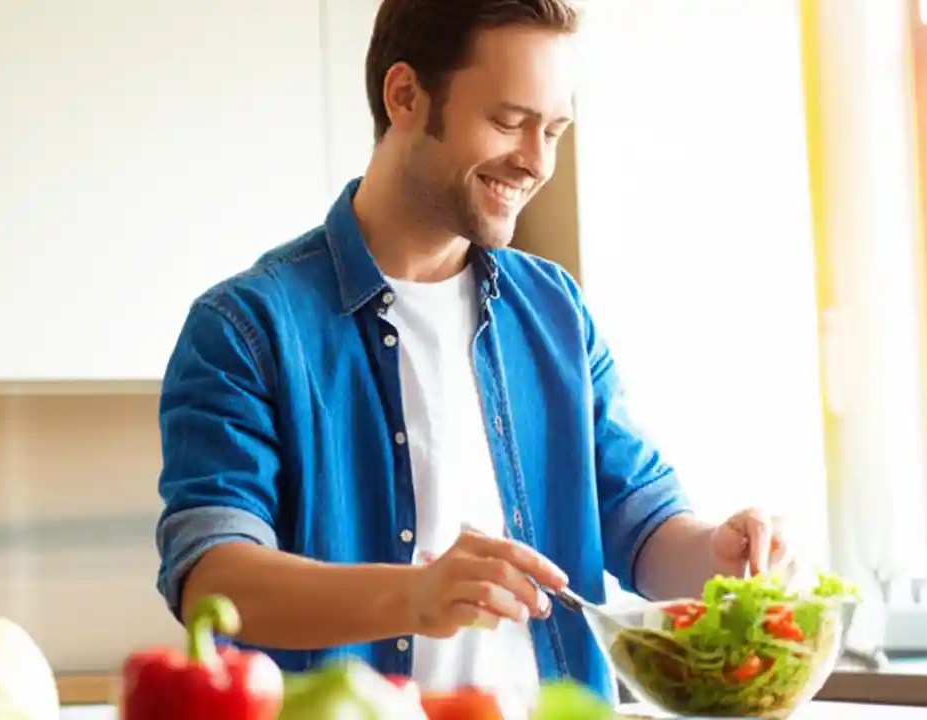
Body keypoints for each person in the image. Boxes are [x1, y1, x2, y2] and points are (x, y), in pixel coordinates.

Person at [154, 0, 793, 711]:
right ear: (405, 96)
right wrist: (414, 595)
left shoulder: (556, 311)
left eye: (553, 129)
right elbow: (213, 578)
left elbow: (642, 526)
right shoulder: (247, 327)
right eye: (509, 122)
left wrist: (721, 556)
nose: (537, 161)